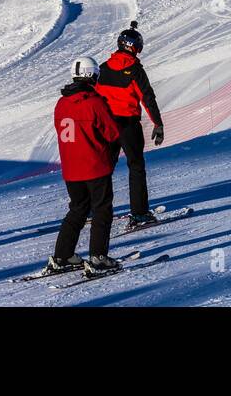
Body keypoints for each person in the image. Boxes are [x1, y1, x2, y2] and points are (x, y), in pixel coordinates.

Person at [47, 57, 124, 277]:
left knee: (77, 209)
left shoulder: (61, 103)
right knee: (101, 210)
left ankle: (62, 256)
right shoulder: (94, 102)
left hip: (71, 169)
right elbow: (111, 133)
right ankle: (98, 257)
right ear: (92, 76)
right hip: (95, 167)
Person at [97, 21, 165, 226]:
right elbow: (147, 98)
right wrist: (158, 123)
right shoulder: (135, 70)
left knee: (103, 167)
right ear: (136, 47)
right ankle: (139, 214)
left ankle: (97, 209)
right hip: (128, 124)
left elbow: (94, 96)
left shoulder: (104, 68)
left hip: (107, 124)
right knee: (135, 166)